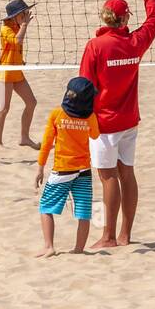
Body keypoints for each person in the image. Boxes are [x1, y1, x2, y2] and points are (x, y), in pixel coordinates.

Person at [79, 0, 155, 248]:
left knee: (108, 177)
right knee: (127, 173)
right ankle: (126, 234)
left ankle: (108, 236)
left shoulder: (95, 46)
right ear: (123, 18)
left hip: (103, 123)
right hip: (129, 120)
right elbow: (154, 18)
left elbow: (84, 88)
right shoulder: (135, 42)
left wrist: (80, 121)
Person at [35, 78, 100, 258]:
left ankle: (49, 246)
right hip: (84, 171)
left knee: (46, 208)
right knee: (84, 212)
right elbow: (95, 135)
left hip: (62, 169)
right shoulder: (90, 117)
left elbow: (47, 144)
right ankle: (79, 249)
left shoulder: (57, 114)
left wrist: (40, 167)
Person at [0, 0, 39, 149]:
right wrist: (25, 25)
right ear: (14, 16)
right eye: (23, 13)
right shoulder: (6, 29)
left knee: (31, 102)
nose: (26, 15)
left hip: (16, 71)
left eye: (26, 12)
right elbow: (17, 41)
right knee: (4, 108)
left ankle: (24, 138)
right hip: (5, 72)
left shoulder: (17, 26)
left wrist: (21, 60)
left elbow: (16, 48)